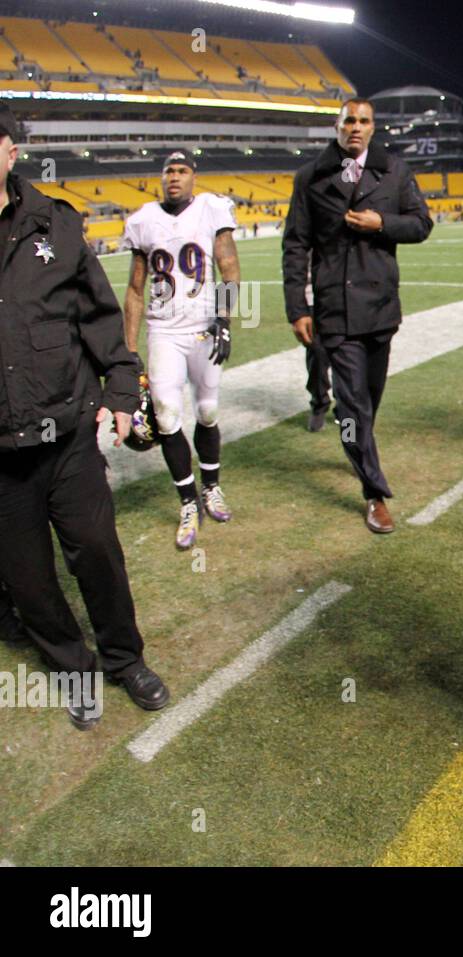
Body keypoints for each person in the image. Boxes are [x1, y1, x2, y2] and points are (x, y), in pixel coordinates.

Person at [0, 104, 169, 727]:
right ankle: (75, 670)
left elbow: (101, 322)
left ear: (10, 152)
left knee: (97, 550)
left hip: (67, 432)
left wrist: (123, 392)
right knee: (27, 578)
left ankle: (124, 659)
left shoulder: (58, 224)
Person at [282, 98, 432, 532]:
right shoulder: (310, 177)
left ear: (372, 128)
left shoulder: (396, 170)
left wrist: (380, 222)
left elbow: (421, 225)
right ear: (337, 126)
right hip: (333, 310)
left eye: (364, 121)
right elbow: (295, 244)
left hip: (381, 308)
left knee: (368, 401)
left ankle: (357, 445)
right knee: (351, 405)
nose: (356, 127)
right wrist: (298, 307)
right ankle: (374, 494)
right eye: (349, 120)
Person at [121, 149, 240, 549]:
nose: (175, 176)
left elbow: (229, 267)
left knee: (207, 412)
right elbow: (136, 290)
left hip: (203, 328)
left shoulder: (211, 208)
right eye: (169, 170)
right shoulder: (143, 220)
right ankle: (188, 502)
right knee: (167, 418)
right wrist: (127, 351)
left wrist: (224, 320)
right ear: (162, 176)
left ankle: (211, 487)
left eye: (182, 170)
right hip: (163, 331)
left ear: (193, 175)